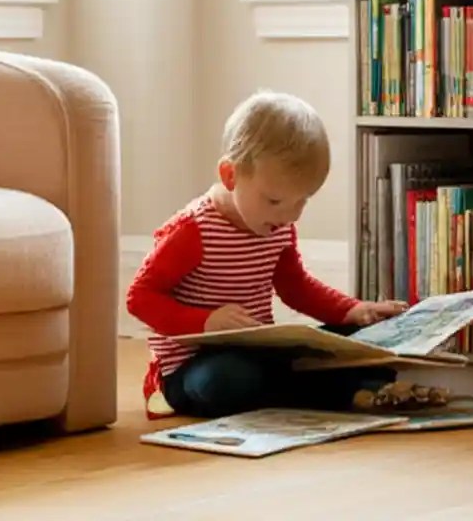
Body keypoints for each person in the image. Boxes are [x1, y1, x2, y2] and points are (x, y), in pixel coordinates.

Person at [126, 89, 451, 420]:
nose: (290, 216)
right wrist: (206, 321)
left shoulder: (276, 225)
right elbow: (139, 297)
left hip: (260, 353)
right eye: (275, 201)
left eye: (303, 201)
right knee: (223, 381)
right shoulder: (193, 231)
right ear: (230, 175)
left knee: (368, 343)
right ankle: (350, 391)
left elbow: (296, 287)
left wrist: (353, 310)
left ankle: (352, 387)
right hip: (194, 365)